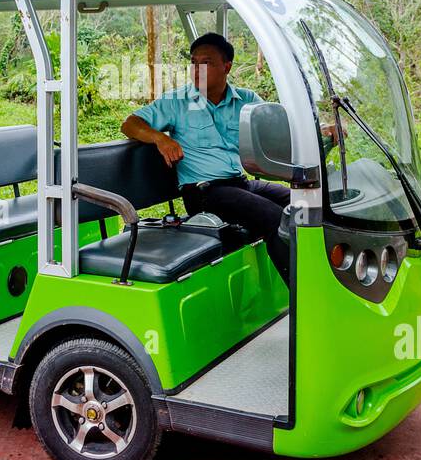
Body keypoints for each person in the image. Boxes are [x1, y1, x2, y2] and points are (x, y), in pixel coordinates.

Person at [121, 32, 295, 280]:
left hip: (240, 184)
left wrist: (321, 131)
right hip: (204, 192)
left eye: (207, 62)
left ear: (227, 66)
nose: (197, 69)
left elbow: (279, 128)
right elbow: (130, 124)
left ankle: (320, 280)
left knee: (300, 205)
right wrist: (160, 138)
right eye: (194, 62)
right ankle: (301, 299)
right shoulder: (177, 101)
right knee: (275, 219)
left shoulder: (246, 101)